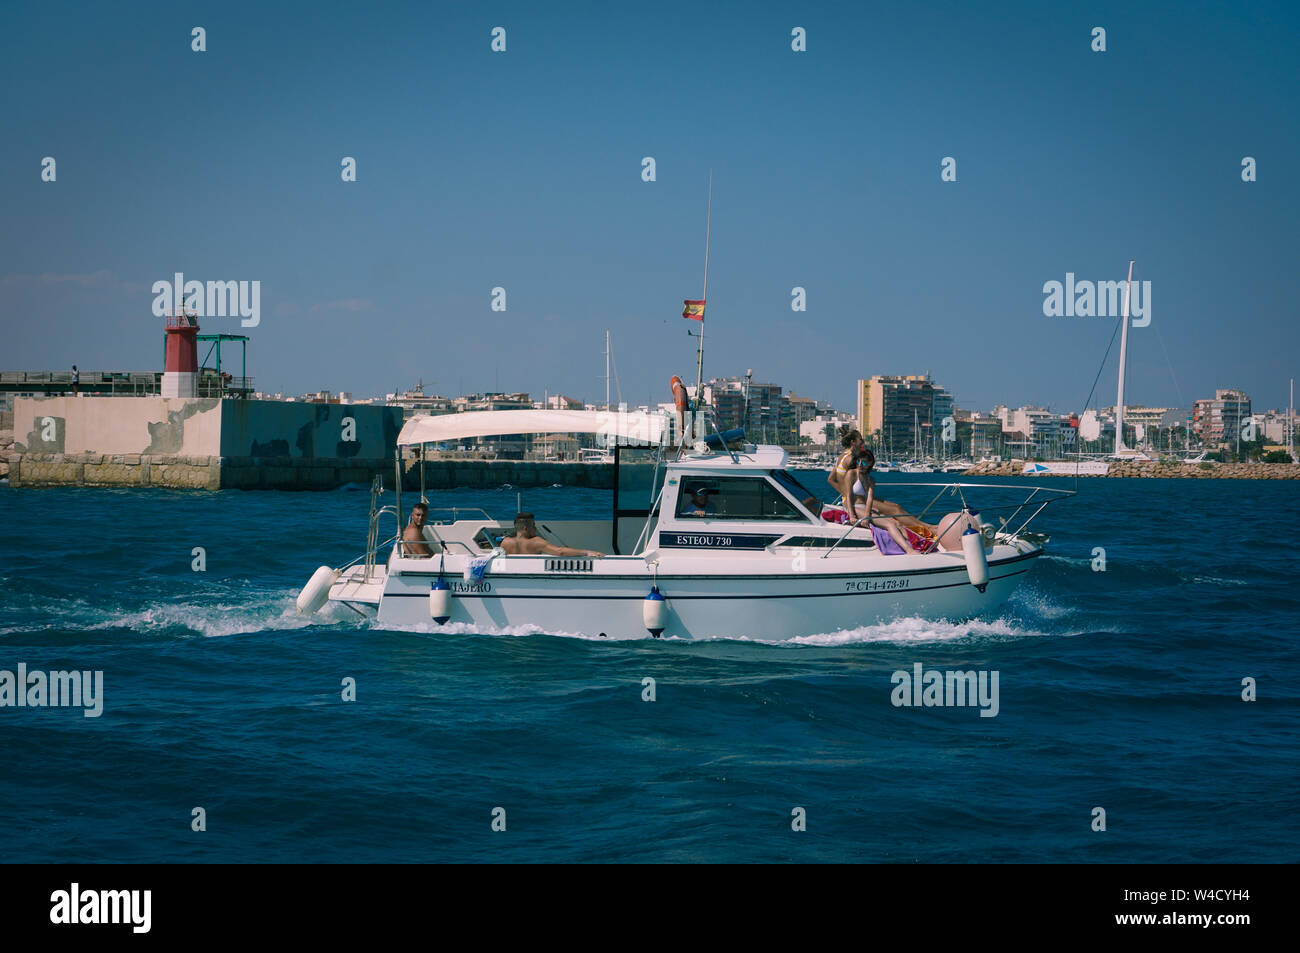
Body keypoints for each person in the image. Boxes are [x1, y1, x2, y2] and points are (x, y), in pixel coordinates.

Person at [501, 513, 604, 557]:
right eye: (533, 525)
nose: (535, 528)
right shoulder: (536, 542)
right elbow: (560, 552)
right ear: (525, 528)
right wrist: (587, 552)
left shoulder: (505, 542)